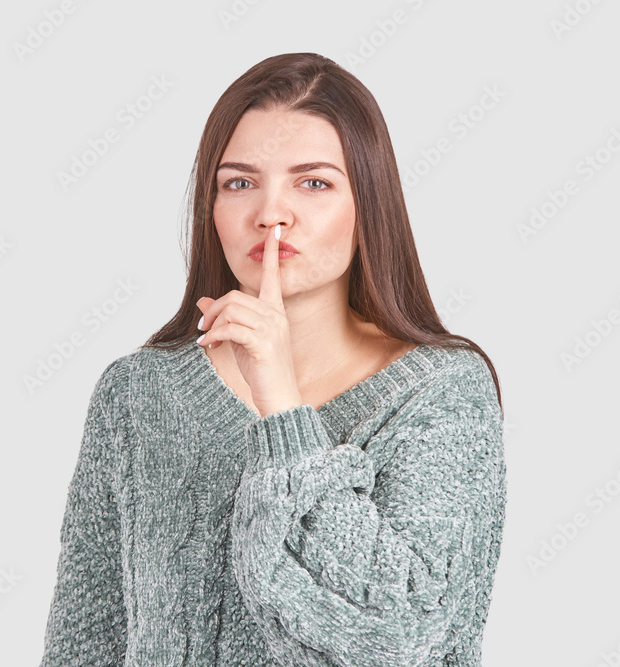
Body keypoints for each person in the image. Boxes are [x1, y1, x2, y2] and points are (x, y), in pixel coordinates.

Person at [39, 52, 507, 666]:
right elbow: (83, 644)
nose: (270, 214)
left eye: (313, 183)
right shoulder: (137, 392)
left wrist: (283, 411)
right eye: (239, 183)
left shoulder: (441, 393)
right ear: (211, 209)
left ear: (368, 205)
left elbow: (398, 639)